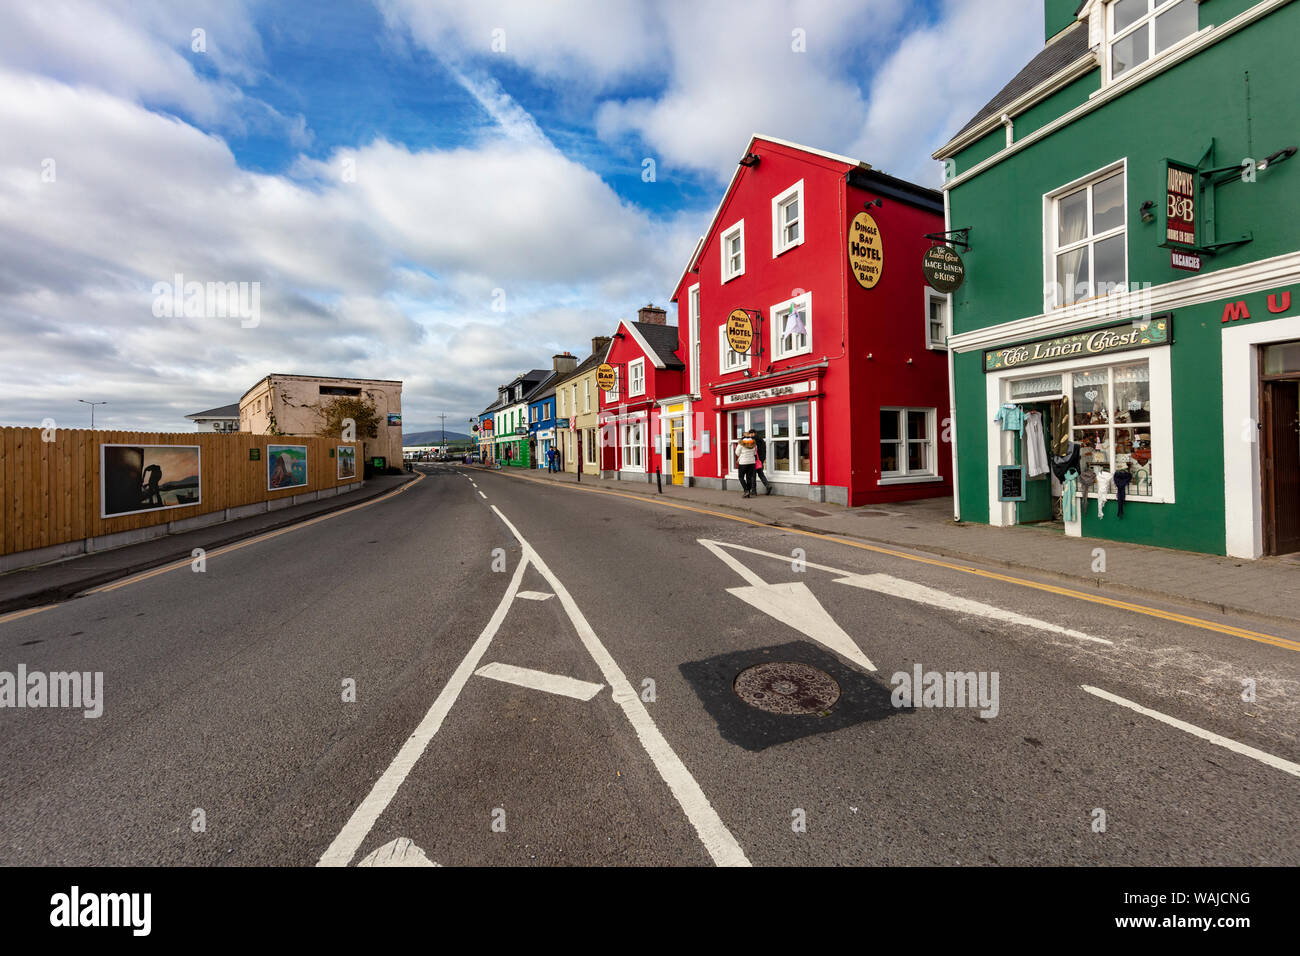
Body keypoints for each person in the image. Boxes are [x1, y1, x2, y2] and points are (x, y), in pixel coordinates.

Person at [735, 430, 758, 497]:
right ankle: (748, 492)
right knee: (749, 477)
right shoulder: (754, 443)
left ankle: (746, 491)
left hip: (743, 462)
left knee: (741, 477)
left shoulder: (741, 443)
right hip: (752, 462)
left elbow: (737, 453)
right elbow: (755, 453)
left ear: (743, 436)